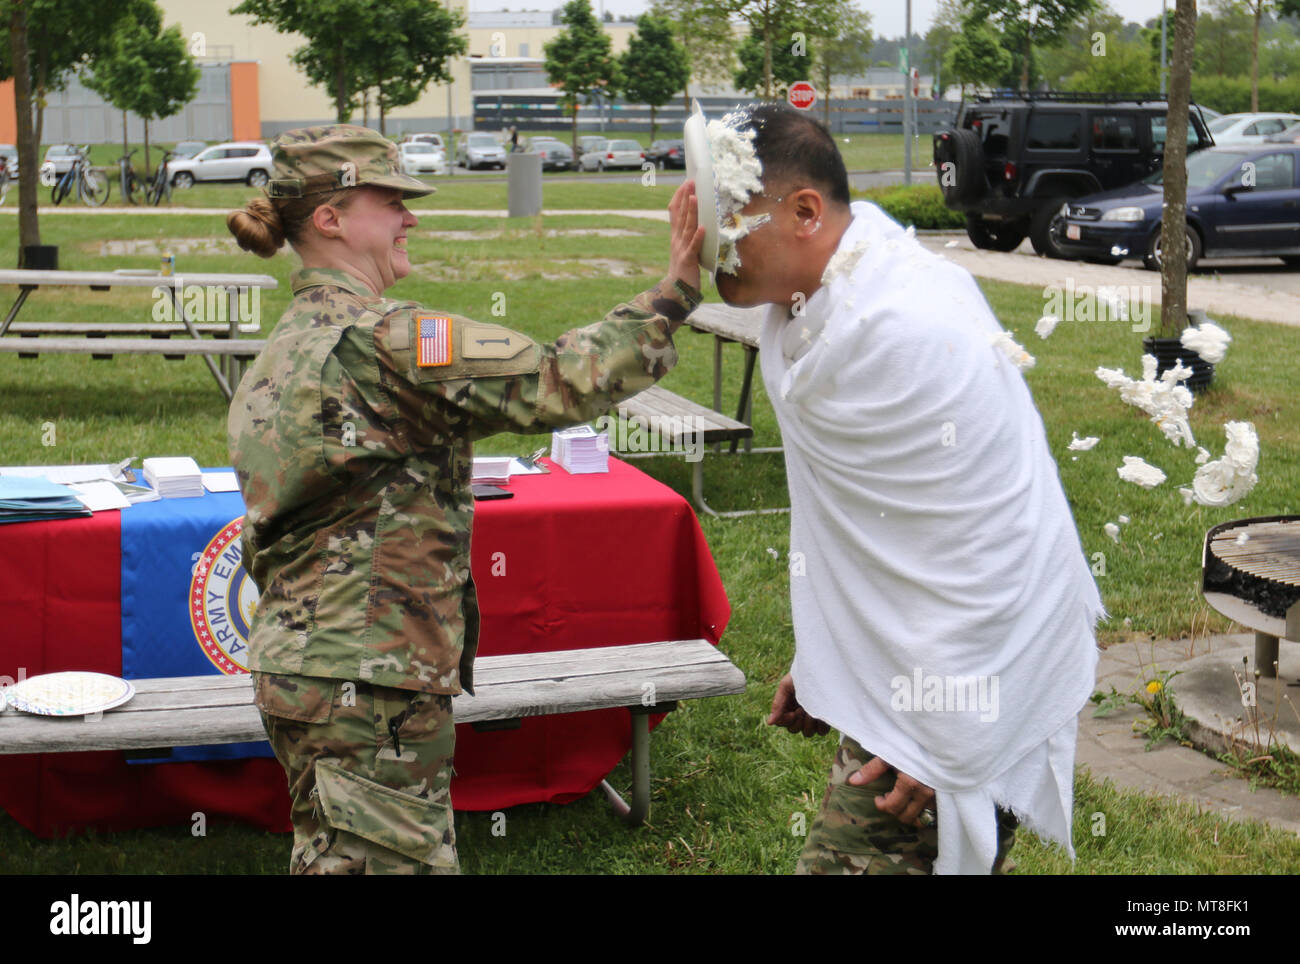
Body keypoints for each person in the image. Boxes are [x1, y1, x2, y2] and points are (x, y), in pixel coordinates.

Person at [225, 125, 704, 874]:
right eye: (391, 202)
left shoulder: (282, 348)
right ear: (330, 217)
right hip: (368, 679)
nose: (411, 216)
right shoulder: (391, 340)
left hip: (304, 670)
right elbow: (556, 377)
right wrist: (677, 290)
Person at [706, 104, 1101, 875]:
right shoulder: (812, 310)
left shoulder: (907, 322)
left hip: (967, 682)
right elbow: (877, 528)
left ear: (805, 212)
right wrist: (836, 653)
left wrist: (957, 719)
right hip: (916, 669)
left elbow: (996, 541)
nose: (702, 249)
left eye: (724, 222)